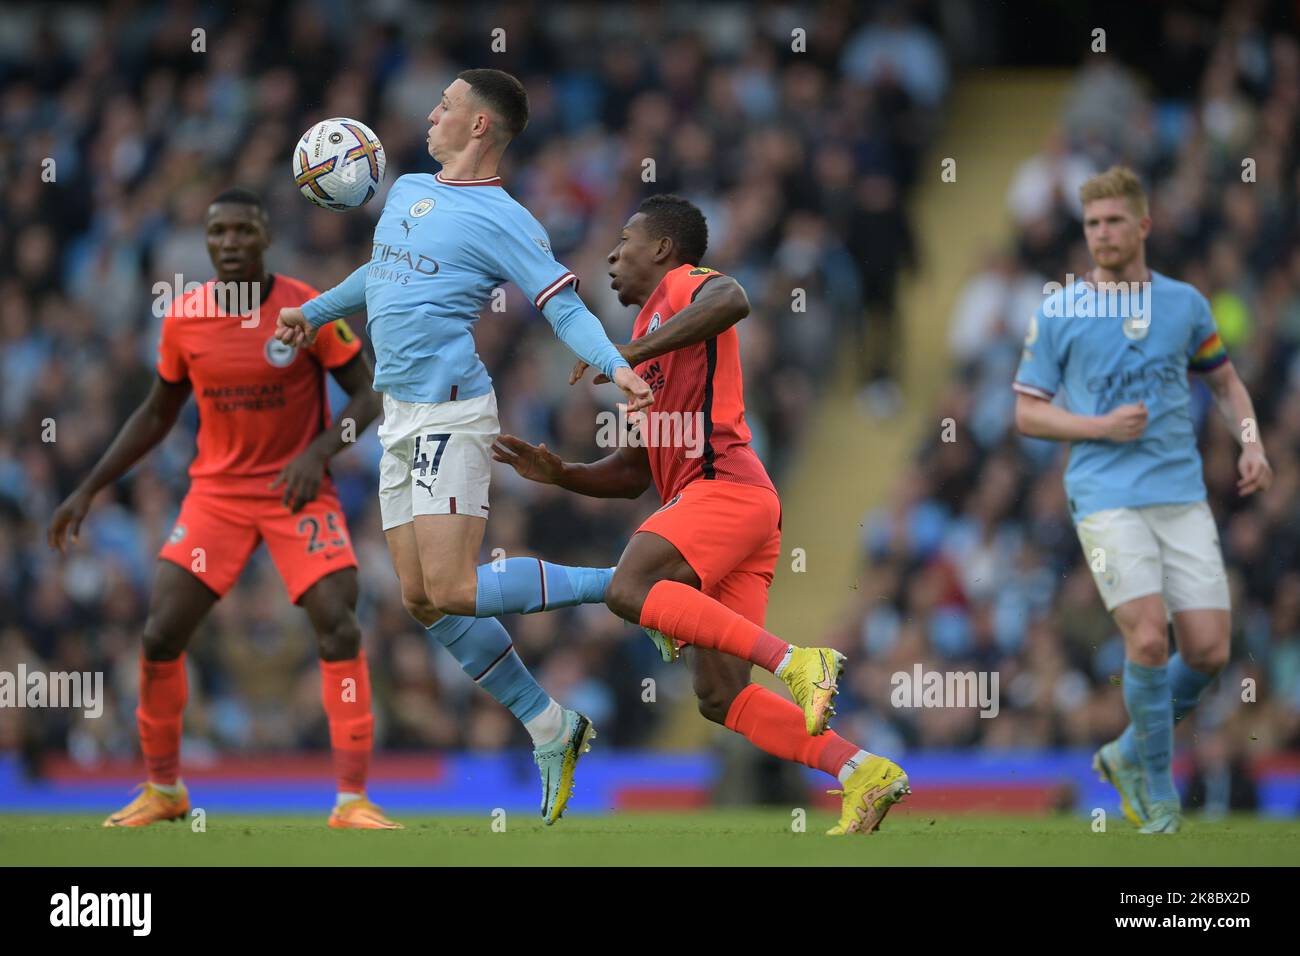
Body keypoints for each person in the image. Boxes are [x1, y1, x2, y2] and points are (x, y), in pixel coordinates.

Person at [276, 69, 653, 824]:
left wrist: (616, 365)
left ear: (479, 126)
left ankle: (630, 586)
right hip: (400, 416)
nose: (430, 113)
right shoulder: (409, 189)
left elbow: (562, 302)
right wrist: (314, 312)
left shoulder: (505, 219)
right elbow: (381, 276)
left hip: (453, 412)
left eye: (445, 105)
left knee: (452, 587)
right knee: (420, 599)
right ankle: (553, 725)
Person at [493, 195, 911, 835]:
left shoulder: (683, 289)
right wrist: (562, 474)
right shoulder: (646, 340)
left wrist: (629, 356)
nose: (610, 255)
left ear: (662, 249)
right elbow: (637, 471)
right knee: (720, 697)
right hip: (730, 508)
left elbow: (734, 299)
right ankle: (861, 771)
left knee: (631, 588)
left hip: (724, 486)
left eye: (625, 240)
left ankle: (799, 661)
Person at [49, 188, 398, 829]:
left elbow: (369, 397)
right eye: (219, 233)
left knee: (339, 623)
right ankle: (164, 789)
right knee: (159, 633)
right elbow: (157, 414)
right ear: (206, 243)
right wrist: (90, 486)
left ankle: (352, 799)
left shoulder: (307, 308)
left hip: (298, 491)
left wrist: (319, 453)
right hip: (218, 495)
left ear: (265, 235)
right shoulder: (184, 318)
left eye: (243, 230)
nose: (230, 243)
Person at [1013, 166, 1273, 834]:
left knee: (1211, 650)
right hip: (1104, 494)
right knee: (1150, 635)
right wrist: (1098, 427)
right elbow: (1027, 414)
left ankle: (1127, 752)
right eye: (1092, 224)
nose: (1101, 234)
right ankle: (1157, 788)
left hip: (1179, 492)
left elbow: (1227, 385)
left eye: (1113, 222)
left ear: (1143, 226)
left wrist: (1250, 443)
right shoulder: (1062, 310)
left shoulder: (1185, 305)